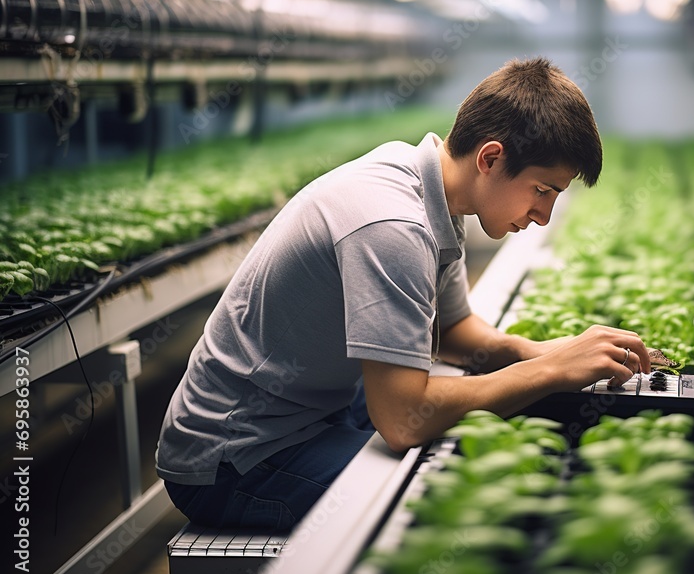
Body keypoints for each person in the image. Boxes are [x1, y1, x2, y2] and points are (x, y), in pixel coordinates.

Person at [155, 57, 651, 531]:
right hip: (238, 453)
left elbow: (453, 331)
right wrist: (545, 373)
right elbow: (402, 420)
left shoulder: (433, 187)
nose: (543, 215)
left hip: (315, 408)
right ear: (491, 158)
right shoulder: (393, 225)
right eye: (543, 191)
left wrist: (546, 353)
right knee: (467, 495)